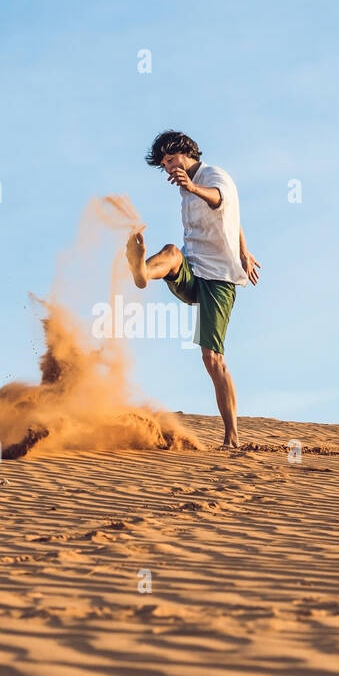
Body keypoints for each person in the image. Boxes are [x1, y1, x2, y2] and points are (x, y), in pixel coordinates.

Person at [122, 130, 261, 448]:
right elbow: (232, 218)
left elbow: (222, 200)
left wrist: (193, 186)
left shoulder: (214, 176)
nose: (168, 168)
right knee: (172, 252)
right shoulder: (186, 190)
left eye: (170, 160)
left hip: (219, 281)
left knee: (213, 359)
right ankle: (143, 273)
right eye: (164, 165)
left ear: (186, 153)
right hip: (193, 272)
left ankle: (232, 438)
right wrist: (244, 249)